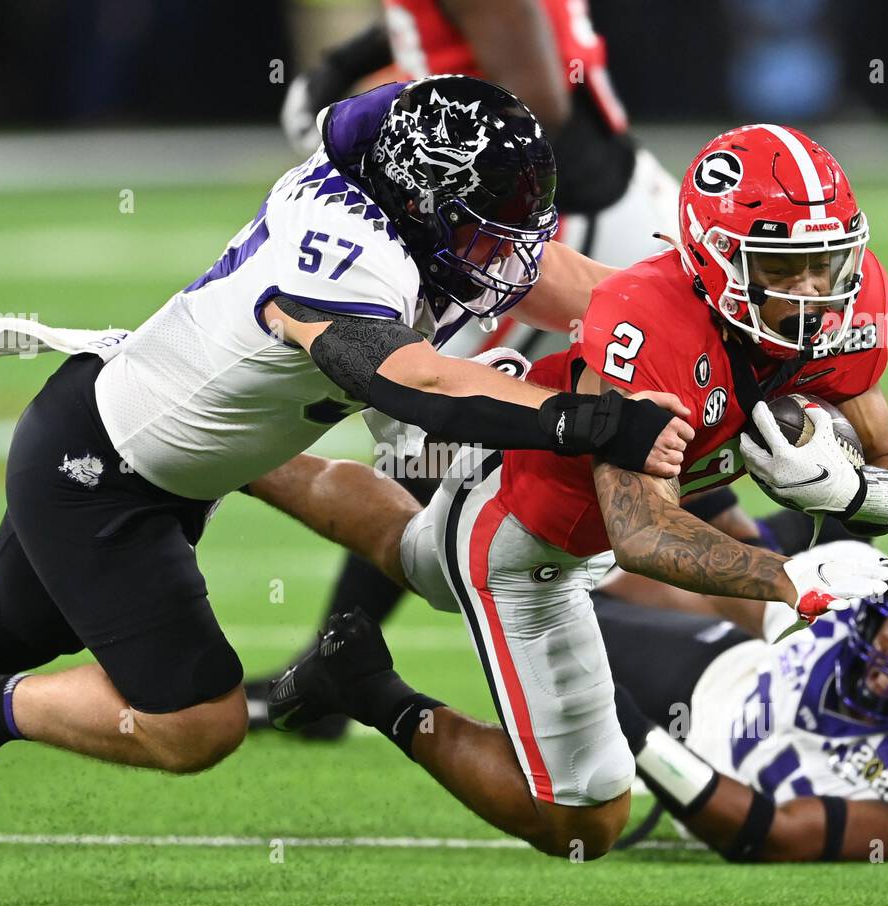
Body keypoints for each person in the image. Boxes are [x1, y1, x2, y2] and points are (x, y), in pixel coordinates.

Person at [0, 75, 696, 906]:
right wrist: (589, 421)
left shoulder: (395, 180)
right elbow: (421, 384)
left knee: (12, 625)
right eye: (479, 227)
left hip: (143, 424)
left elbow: (558, 281)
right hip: (102, 475)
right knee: (200, 720)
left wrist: (697, 323)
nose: (504, 250)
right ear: (421, 204)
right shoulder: (346, 261)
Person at [266, 123, 888, 859]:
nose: (812, 292)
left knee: (408, 546)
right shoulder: (654, 325)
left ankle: (244, 463)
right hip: (526, 531)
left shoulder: (842, 307)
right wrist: (789, 576)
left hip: (605, 507)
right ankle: (370, 687)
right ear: (719, 258)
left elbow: (887, 451)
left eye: (824, 263)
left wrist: (867, 494)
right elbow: (643, 533)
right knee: (587, 821)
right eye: (781, 266)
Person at [247, 0, 685, 726]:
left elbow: (536, 101)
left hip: (550, 217)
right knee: (450, 443)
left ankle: (741, 639)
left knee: (432, 421)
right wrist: (350, 65)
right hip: (575, 204)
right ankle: (332, 668)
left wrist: (392, 123)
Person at [602, 538, 888, 864]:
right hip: (714, 677)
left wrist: (637, 735)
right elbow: (720, 589)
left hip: (718, 792)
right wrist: (604, 586)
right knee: (562, 631)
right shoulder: (848, 586)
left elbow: (777, 837)